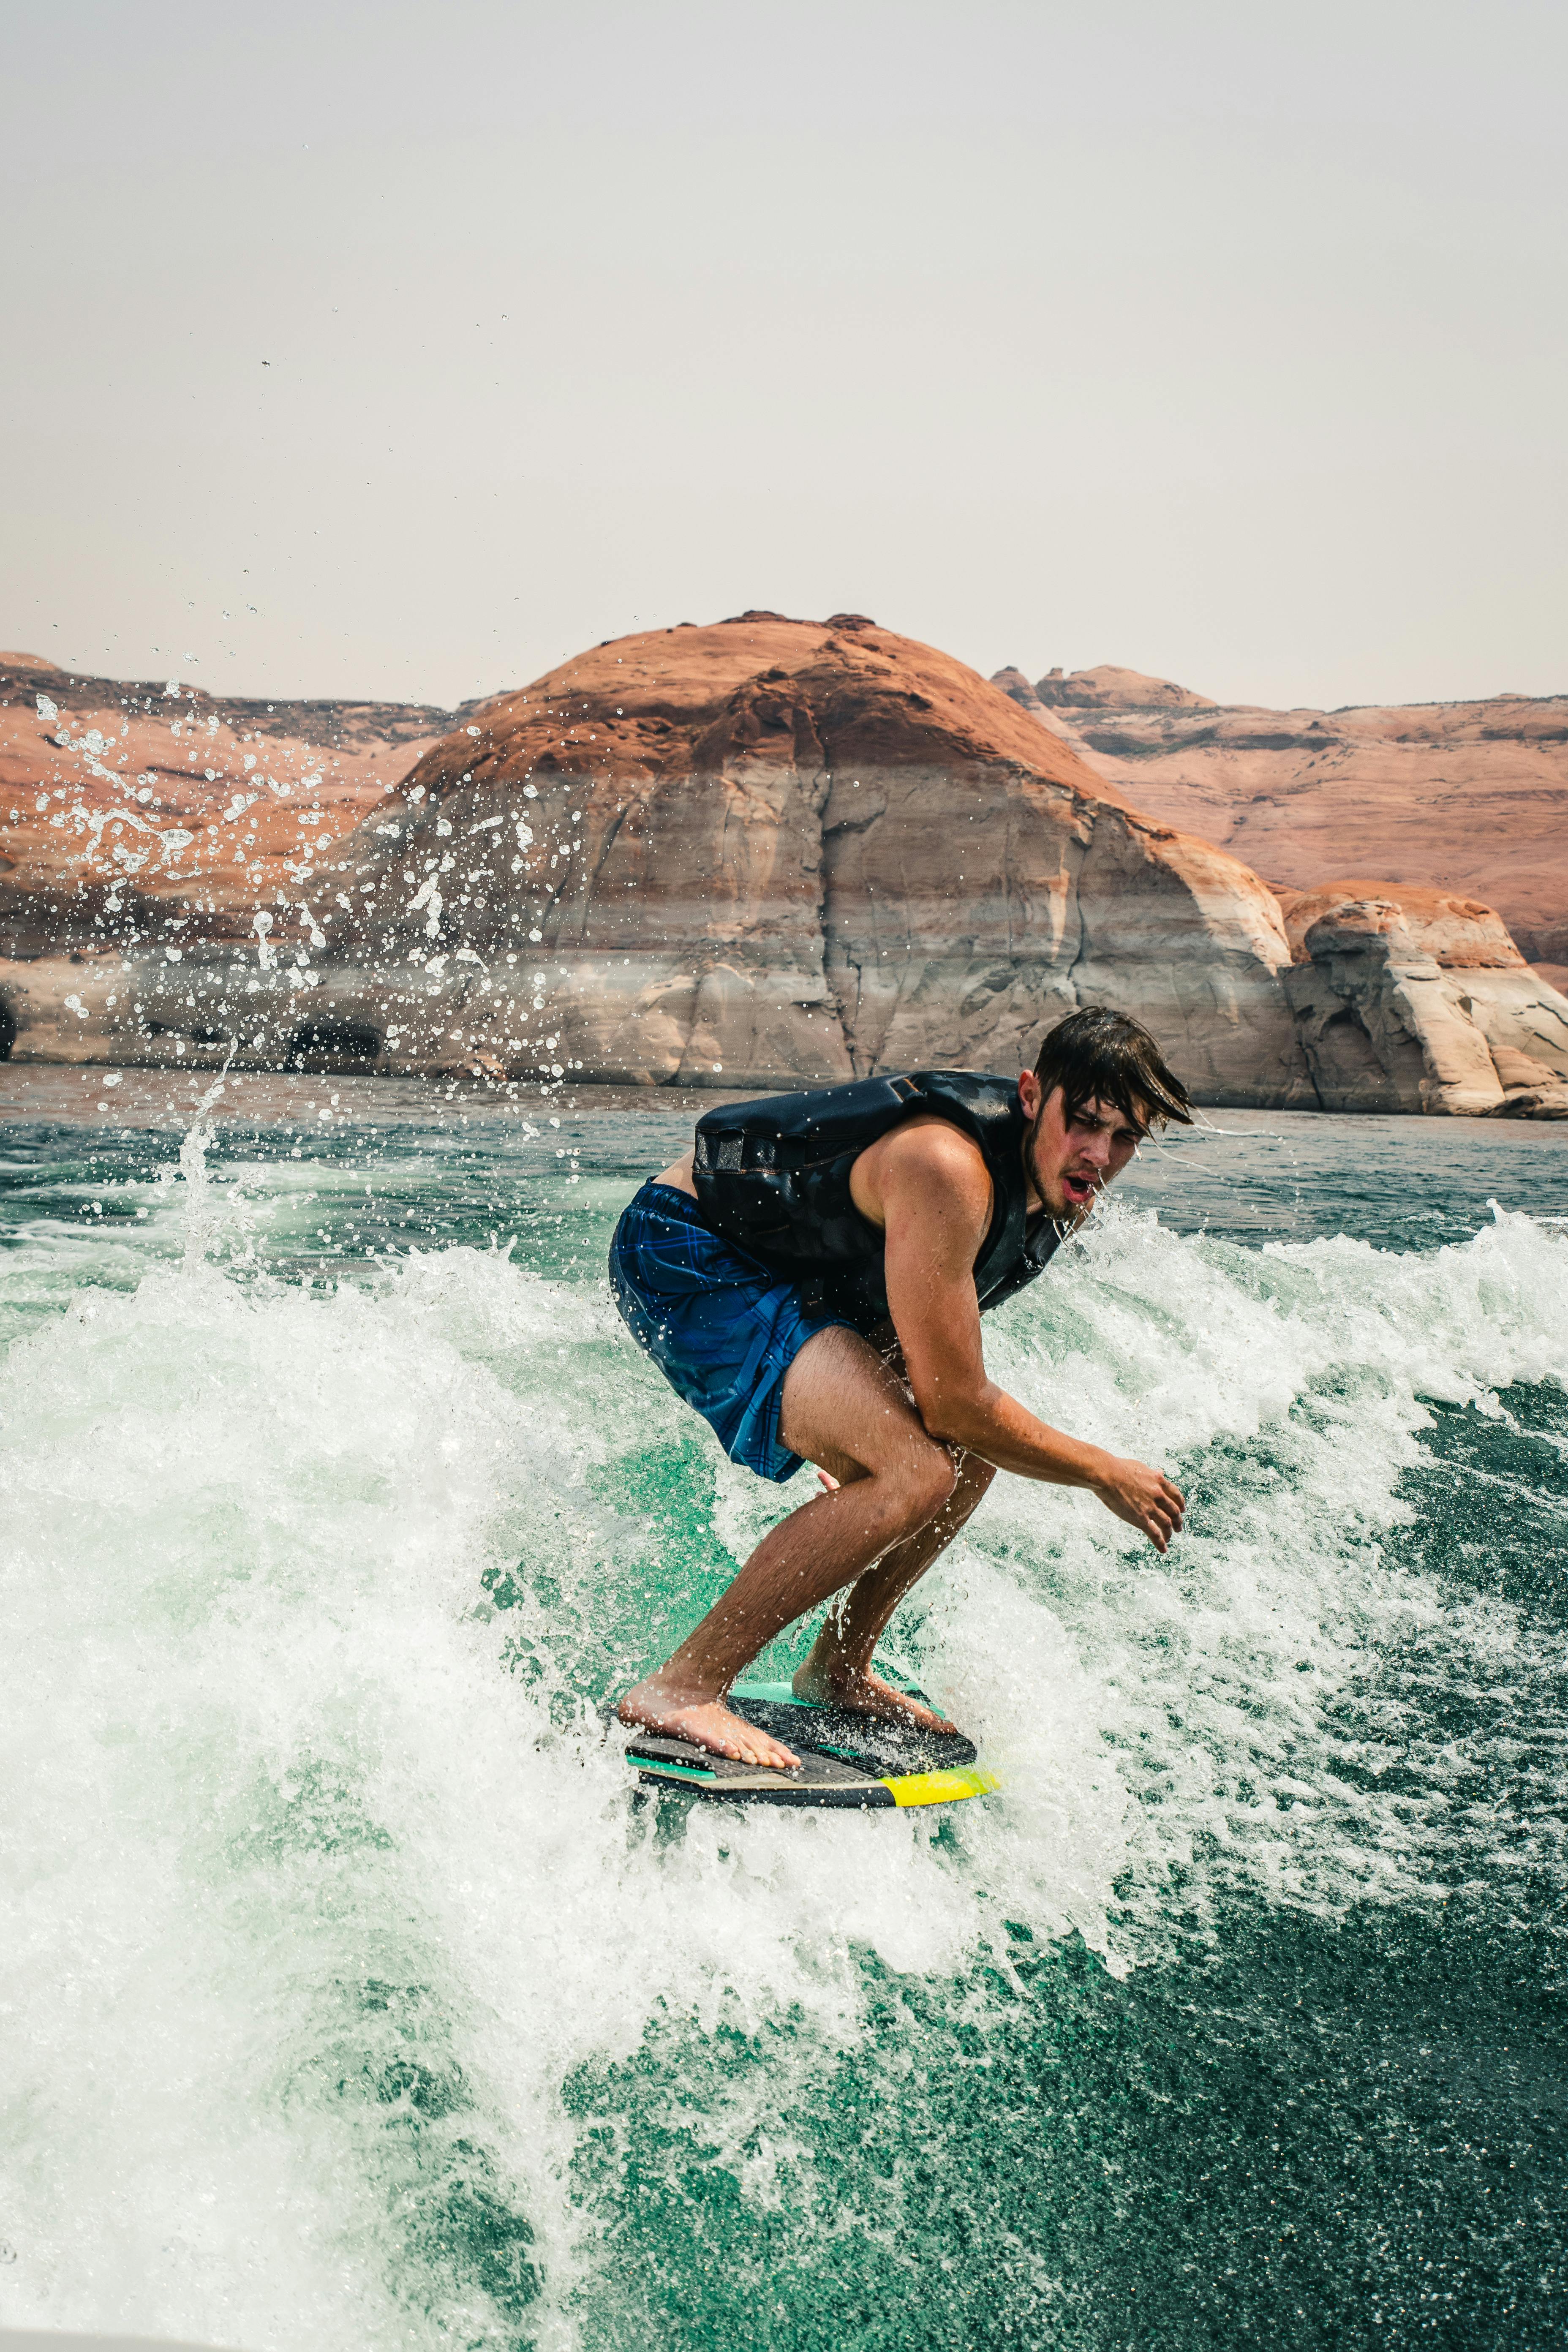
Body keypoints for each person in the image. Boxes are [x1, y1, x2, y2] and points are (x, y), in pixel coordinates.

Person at [608, 1006, 1191, 1771]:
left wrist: (863, 1422)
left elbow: (906, 1312)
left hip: (788, 1276)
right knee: (918, 1469)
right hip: (689, 1250)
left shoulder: (1059, 1188)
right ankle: (682, 1687)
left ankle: (837, 1671)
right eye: (1083, 1122)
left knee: (959, 1460)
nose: (1099, 1154)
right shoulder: (947, 1166)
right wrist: (1101, 1470)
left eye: (1125, 1138)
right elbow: (955, 1398)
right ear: (1029, 1096)